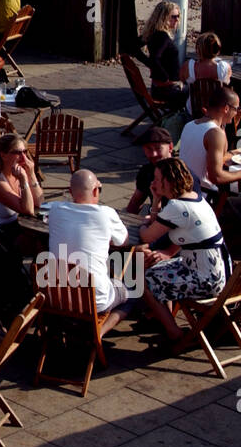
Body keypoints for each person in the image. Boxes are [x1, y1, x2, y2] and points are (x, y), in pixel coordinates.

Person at [134, 158, 227, 341]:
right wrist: (156, 202)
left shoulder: (177, 207)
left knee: (141, 278)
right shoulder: (194, 198)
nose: (153, 183)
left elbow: (147, 236)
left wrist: (143, 223)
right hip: (216, 271)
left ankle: (174, 332)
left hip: (206, 280)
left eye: (157, 179)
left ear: (168, 181)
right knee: (156, 266)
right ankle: (164, 319)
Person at [45, 169, 131, 335]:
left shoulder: (54, 209)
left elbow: (40, 208)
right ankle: (98, 333)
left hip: (56, 298)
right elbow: (124, 242)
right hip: (94, 301)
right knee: (134, 290)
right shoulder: (106, 213)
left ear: (70, 192)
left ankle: (66, 325)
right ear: (95, 190)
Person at [177, 85, 241, 197]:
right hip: (203, 194)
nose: (236, 113)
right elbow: (216, 177)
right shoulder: (215, 133)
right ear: (226, 108)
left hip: (183, 187)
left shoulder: (190, 125)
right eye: (236, 109)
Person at [125, 126, 180, 213]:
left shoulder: (181, 173)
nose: (153, 154)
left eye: (158, 148)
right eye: (149, 149)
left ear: (170, 147)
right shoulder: (146, 171)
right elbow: (136, 202)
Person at [141, 1, 185, 106]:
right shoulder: (162, 37)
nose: (177, 19)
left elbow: (134, 49)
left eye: (178, 16)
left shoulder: (154, 33)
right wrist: (165, 78)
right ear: (163, 18)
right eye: (173, 16)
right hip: (168, 90)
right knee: (198, 95)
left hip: (160, 88)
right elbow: (154, 59)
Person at [179, 31, 232, 114]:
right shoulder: (224, 68)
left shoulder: (189, 66)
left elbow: (182, 80)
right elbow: (227, 83)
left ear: (198, 49)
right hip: (218, 115)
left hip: (194, 113)